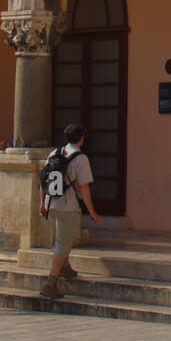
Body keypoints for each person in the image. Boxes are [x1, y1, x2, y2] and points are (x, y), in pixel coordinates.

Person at [38, 124, 101, 299]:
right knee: (63, 242)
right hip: (69, 205)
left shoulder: (54, 154)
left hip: (52, 203)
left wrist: (42, 204)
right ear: (81, 138)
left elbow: (43, 180)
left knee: (66, 236)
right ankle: (51, 282)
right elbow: (84, 187)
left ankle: (65, 267)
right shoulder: (81, 159)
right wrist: (92, 212)